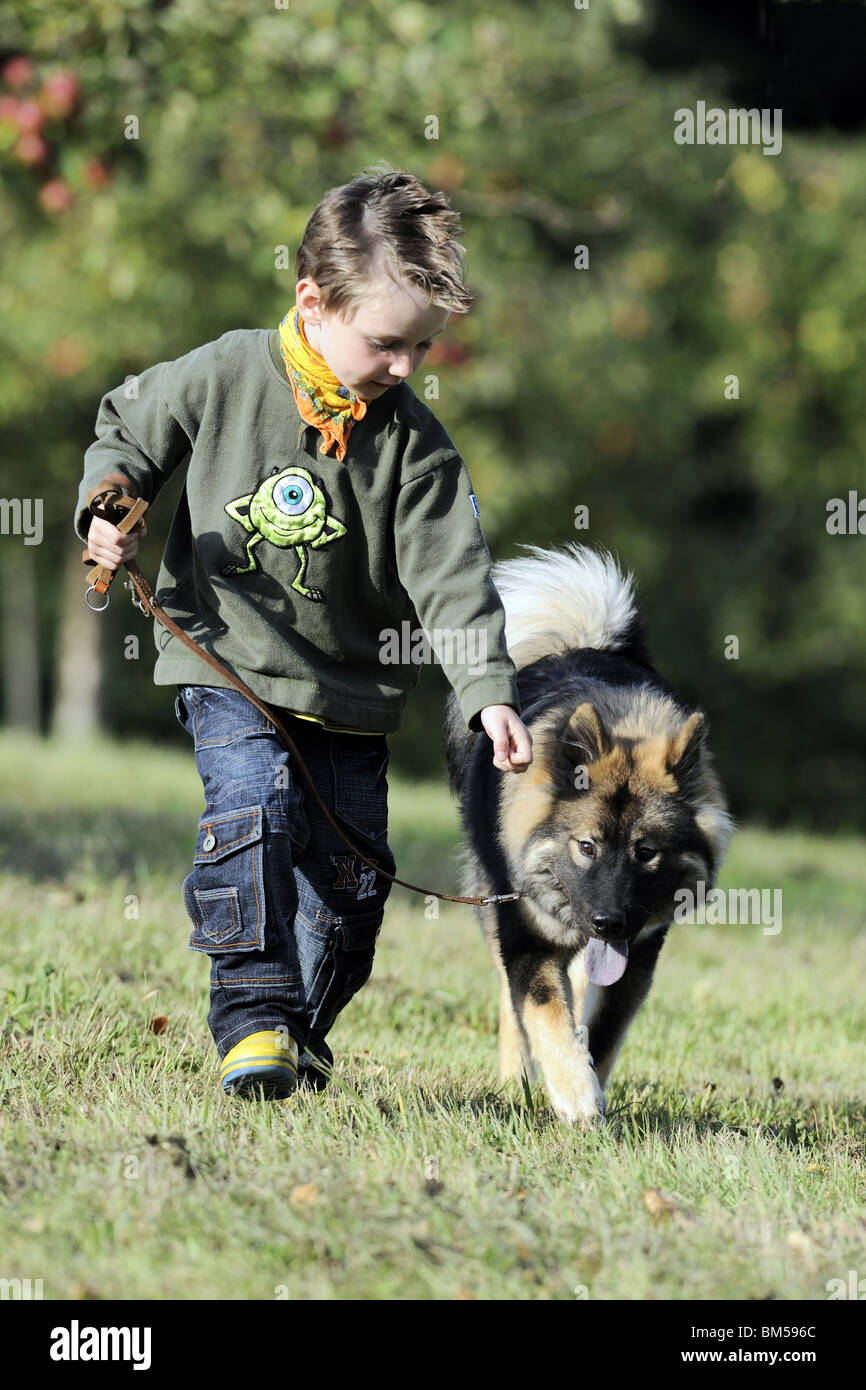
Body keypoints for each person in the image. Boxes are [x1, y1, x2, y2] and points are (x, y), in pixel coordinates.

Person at [74, 166, 532, 1100]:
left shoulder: (417, 448)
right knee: (255, 809)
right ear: (312, 301)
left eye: (421, 348)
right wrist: (108, 505)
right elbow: (127, 426)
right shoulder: (228, 371)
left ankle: (298, 1036)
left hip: (353, 694)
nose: (406, 367)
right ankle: (250, 1018)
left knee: (359, 889)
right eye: (387, 343)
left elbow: (452, 578)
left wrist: (488, 693)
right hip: (227, 655)